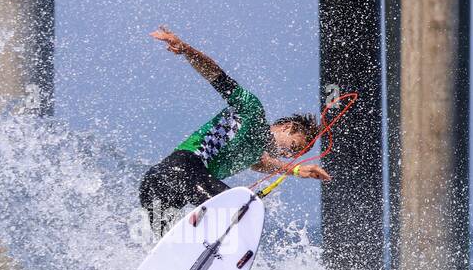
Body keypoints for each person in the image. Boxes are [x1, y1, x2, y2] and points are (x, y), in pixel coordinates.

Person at [139, 26, 330, 237]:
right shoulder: (251, 110)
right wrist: (185, 49)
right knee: (240, 213)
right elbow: (216, 75)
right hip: (180, 171)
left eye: (291, 155)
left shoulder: (254, 151)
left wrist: (295, 170)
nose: (286, 154)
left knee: (176, 245)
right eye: (292, 146)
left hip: (159, 187)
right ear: (288, 127)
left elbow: (260, 161)